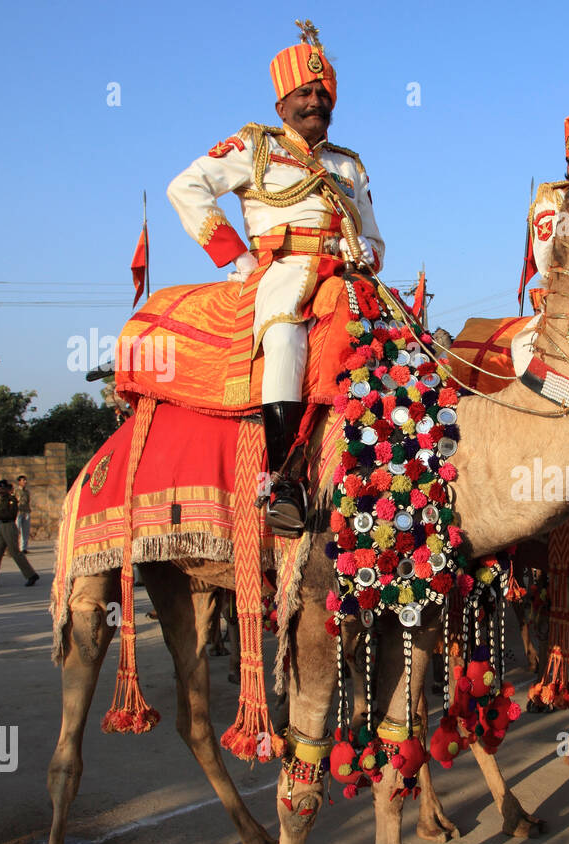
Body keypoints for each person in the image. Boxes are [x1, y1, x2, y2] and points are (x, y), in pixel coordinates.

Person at [167, 22, 385, 537]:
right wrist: (238, 259)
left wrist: (364, 254)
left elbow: (376, 239)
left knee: (408, 348)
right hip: (283, 273)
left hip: (348, 278)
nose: (315, 102)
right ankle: (284, 481)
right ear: (282, 103)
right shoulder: (253, 146)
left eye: (322, 93)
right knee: (286, 337)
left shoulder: (349, 166)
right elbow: (186, 187)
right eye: (304, 93)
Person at [0, 480, 39, 588]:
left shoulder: (11, 500)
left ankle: (31, 575)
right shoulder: (1, 500)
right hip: (2, 526)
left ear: (7, 489)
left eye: (2, 489)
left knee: (15, 552)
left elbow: (11, 514)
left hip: (9, 526)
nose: (0, 492)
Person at [15, 474, 31, 553]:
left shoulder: (27, 492)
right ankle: (15, 547)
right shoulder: (16, 491)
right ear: (19, 482)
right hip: (18, 512)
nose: (25, 482)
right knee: (16, 530)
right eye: (23, 480)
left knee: (26, 531)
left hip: (26, 512)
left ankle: (23, 548)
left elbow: (28, 501)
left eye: (25, 480)